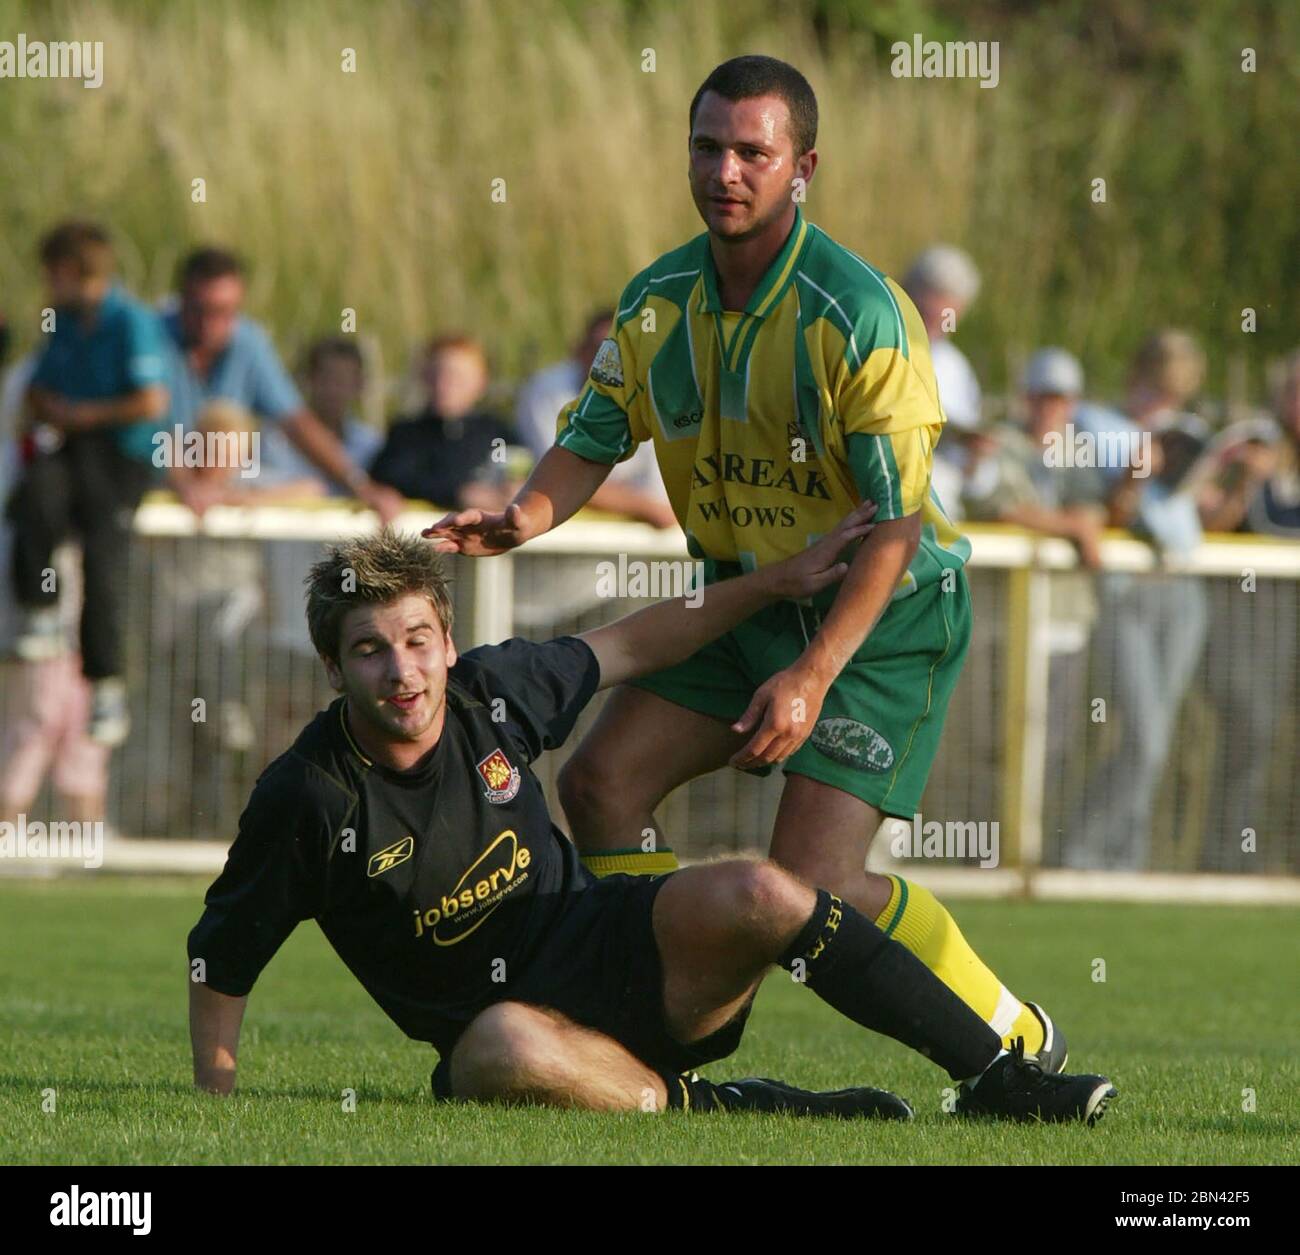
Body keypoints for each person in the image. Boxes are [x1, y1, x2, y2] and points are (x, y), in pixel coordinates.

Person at [427, 55, 1065, 1062]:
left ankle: (1013, 1033)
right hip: (743, 597)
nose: (725, 170)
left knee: (811, 889)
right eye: (708, 147)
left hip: (882, 611)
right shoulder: (655, 302)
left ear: (801, 166)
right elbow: (593, 437)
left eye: (751, 152)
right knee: (599, 785)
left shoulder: (859, 313)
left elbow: (894, 526)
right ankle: (660, 1012)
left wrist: (812, 674)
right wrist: (521, 516)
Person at [186, 524, 1115, 1123]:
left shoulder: (490, 693)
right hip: (514, 1038)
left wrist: (775, 583)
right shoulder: (308, 794)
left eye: (418, 640)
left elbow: (635, 641)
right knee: (501, 1044)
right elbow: (223, 953)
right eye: (370, 650)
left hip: (622, 955)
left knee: (763, 886)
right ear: (332, 666)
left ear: (447, 641)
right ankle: (727, 1108)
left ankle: (1000, 1076)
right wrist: (216, 1110)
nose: (403, 672)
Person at [6, 221, 170, 745]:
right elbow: (39, 388)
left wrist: (81, 415)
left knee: (104, 554)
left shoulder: (131, 322)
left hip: (120, 458)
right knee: (35, 496)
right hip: (73, 451)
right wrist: (50, 408)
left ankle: (106, 683)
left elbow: (150, 401)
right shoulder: (64, 324)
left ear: (73, 272)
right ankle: (38, 608)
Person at [1065, 331, 1210, 871]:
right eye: (1158, 390)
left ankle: (1126, 859)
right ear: (1136, 378)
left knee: (1158, 738)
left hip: (1183, 591)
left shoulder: (1185, 434)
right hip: (1127, 592)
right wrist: (1133, 476)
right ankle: (1083, 852)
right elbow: (1103, 514)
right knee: (1144, 737)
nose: (1165, 405)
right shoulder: (1093, 425)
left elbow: (1199, 518)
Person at [161, 248, 401, 522]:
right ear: (181, 300)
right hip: (155, 489)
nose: (210, 324)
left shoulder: (249, 343)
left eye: (224, 312)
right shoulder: (152, 338)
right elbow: (148, 431)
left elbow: (296, 422)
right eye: (200, 310)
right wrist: (183, 483)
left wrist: (359, 485)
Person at [515, 310, 675, 528]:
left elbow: (663, 507)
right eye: (601, 348)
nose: (609, 359)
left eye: (622, 349)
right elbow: (554, 479)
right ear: (578, 350)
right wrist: (641, 506)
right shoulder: (546, 391)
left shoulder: (660, 395)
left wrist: (642, 506)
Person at [368, 335, 515, 510]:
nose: (444, 385)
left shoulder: (498, 433)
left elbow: (523, 467)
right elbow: (391, 478)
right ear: (424, 377)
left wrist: (516, 490)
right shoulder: (406, 435)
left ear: (481, 382)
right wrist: (458, 494)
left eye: (457, 377)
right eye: (436, 374)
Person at [902, 245, 988, 518]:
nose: (939, 321)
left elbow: (973, 480)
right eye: (929, 311)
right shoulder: (875, 346)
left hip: (941, 516)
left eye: (948, 315)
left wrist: (978, 455)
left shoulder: (956, 368)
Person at [257, 338, 383, 491]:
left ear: (359, 384)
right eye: (326, 378)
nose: (333, 389)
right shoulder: (272, 440)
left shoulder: (371, 446)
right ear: (309, 380)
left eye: (343, 380)